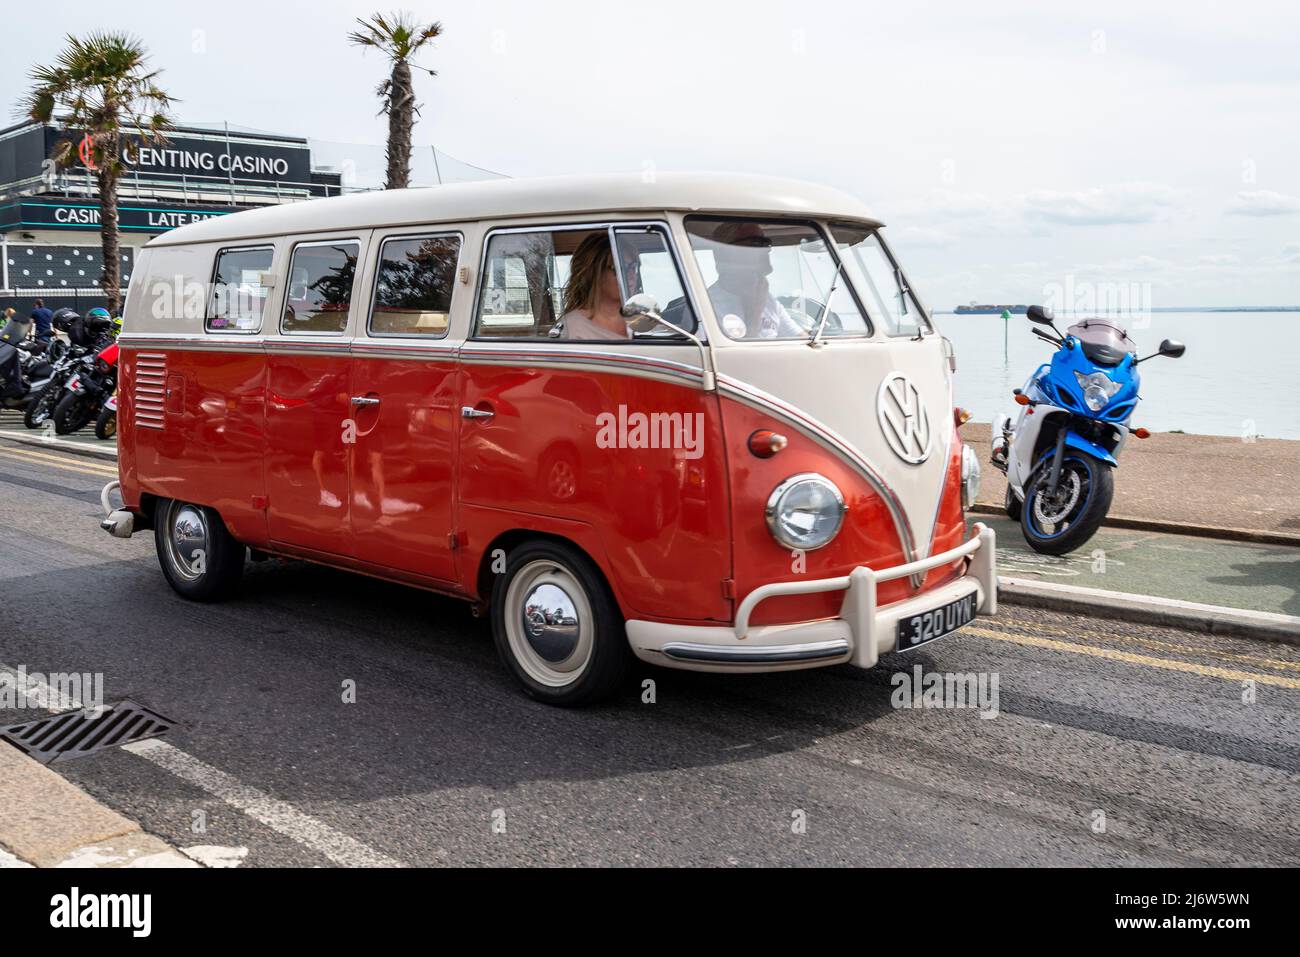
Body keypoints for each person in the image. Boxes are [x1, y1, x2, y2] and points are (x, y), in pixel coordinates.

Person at [704, 221, 803, 339]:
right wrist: (754, 311)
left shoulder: (768, 299)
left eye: (766, 243)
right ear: (727, 252)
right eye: (755, 243)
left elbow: (800, 338)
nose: (766, 249)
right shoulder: (707, 306)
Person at [558, 233, 634, 340]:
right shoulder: (571, 329)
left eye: (633, 266)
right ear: (593, 273)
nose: (631, 274)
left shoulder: (641, 319)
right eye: (620, 268)